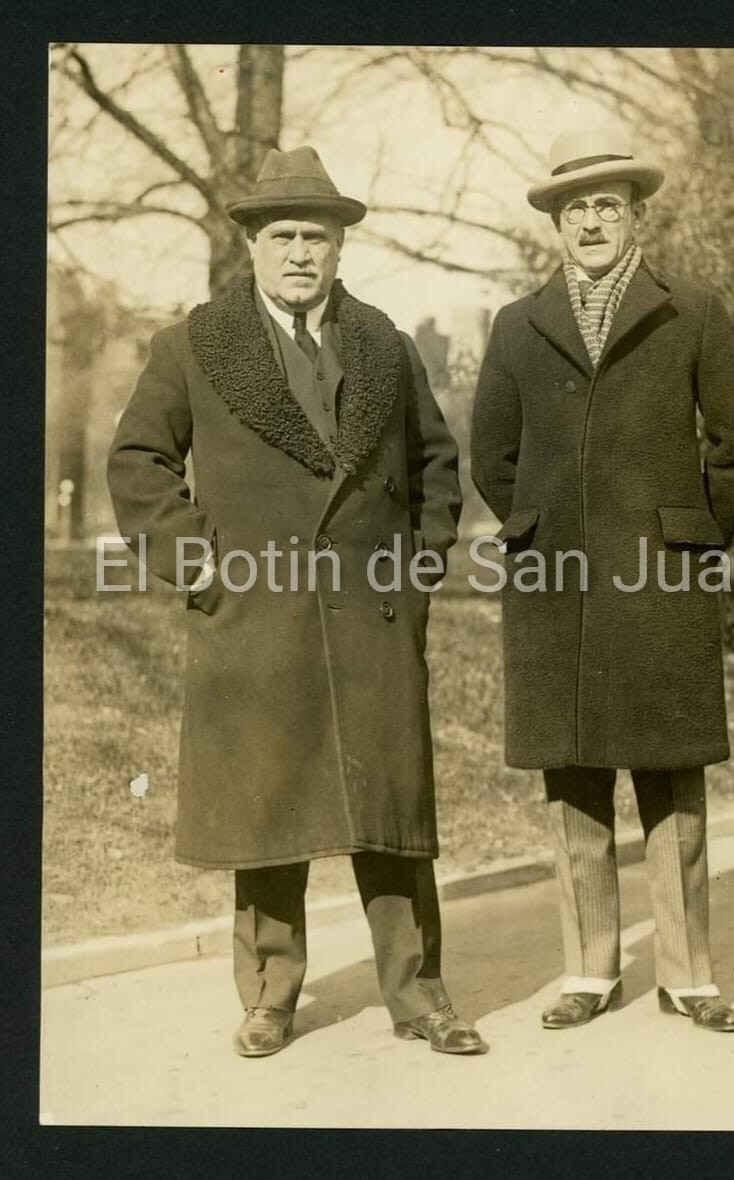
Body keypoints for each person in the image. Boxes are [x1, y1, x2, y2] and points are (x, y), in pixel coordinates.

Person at [108, 146, 486, 1057]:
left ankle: (419, 994)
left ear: (340, 248)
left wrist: (418, 565)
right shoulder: (195, 344)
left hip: (372, 617)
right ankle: (270, 996)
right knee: (265, 808)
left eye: (315, 238)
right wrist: (199, 566)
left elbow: (438, 463)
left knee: (391, 817)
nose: (299, 255)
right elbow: (137, 463)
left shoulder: (385, 344)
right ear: (252, 246)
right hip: (256, 618)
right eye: (282, 238)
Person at [470, 126, 734, 1033]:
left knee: (672, 775)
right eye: (575, 208)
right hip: (554, 584)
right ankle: (587, 973)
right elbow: (493, 453)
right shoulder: (517, 324)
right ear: (555, 226)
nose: (592, 220)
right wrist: (535, 526)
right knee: (572, 777)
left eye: (608, 204)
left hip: (661, 581)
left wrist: (691, 531)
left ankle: (688, 977)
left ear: (635, 214)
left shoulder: (693, 310)